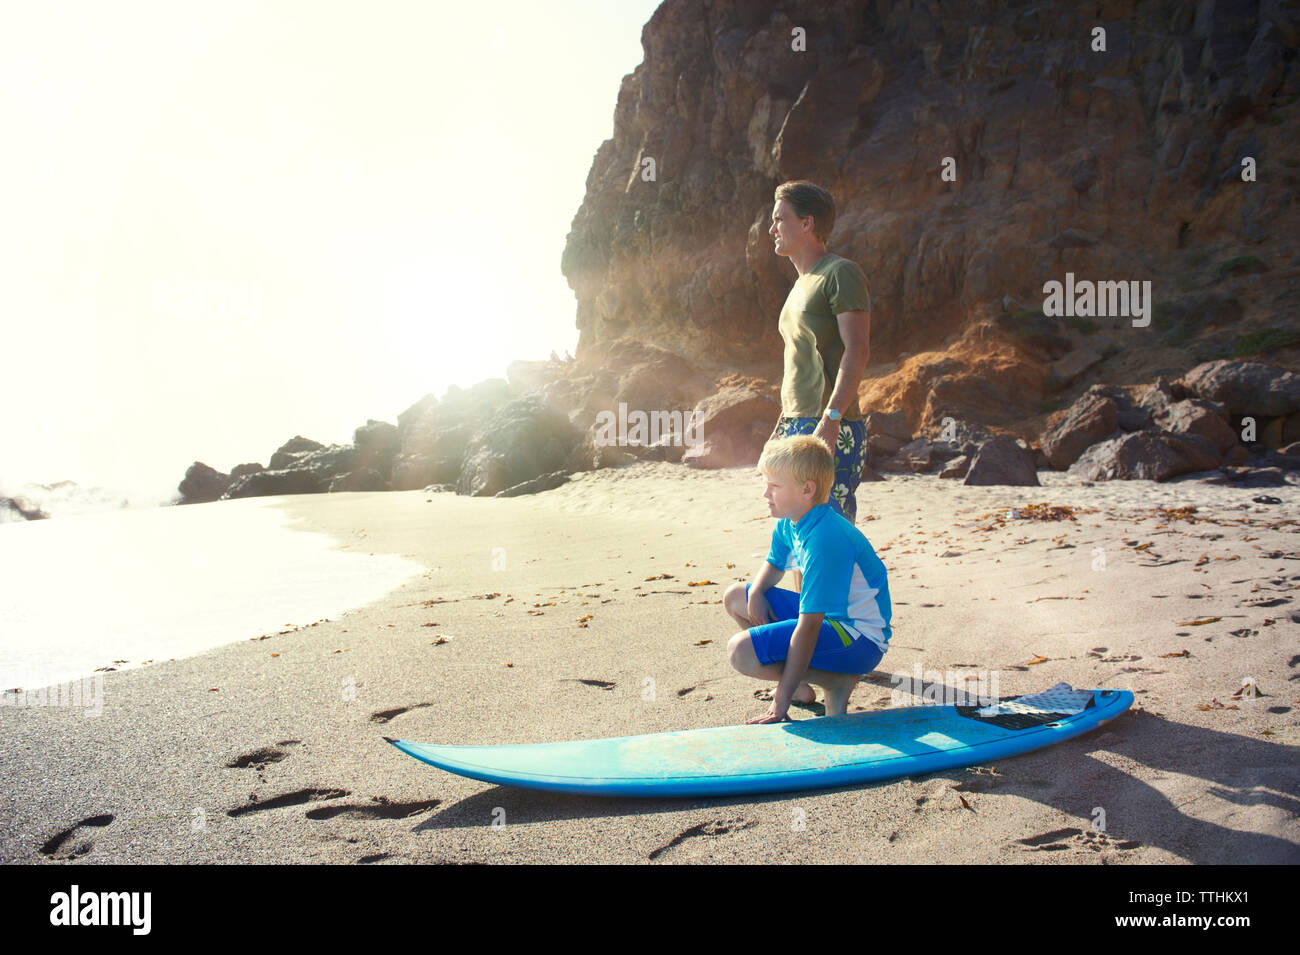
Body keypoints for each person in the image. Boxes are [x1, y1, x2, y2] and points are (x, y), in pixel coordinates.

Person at [723, 435, 893, 723]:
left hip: (859, 638)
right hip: (830, 619)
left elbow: (810, 626)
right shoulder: (792, 521)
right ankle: (800, 686)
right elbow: (774, 564)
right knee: (737, 596)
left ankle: (834, 680)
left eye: (774, 486)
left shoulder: (825, 540)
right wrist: (756, 593)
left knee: (740, 651)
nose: (766, 493)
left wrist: (780, 702)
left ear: (807, 489)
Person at [767, 180, 872, 524]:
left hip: (829, 423)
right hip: (796, 422)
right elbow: (800, 365)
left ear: (808, 223)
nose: (772, 229)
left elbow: (857, 350)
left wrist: (832, 418)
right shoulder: (799, 284)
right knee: (794, 535)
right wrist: (781, 427)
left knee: (828, 531)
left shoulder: (840, 273)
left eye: (780, 219)